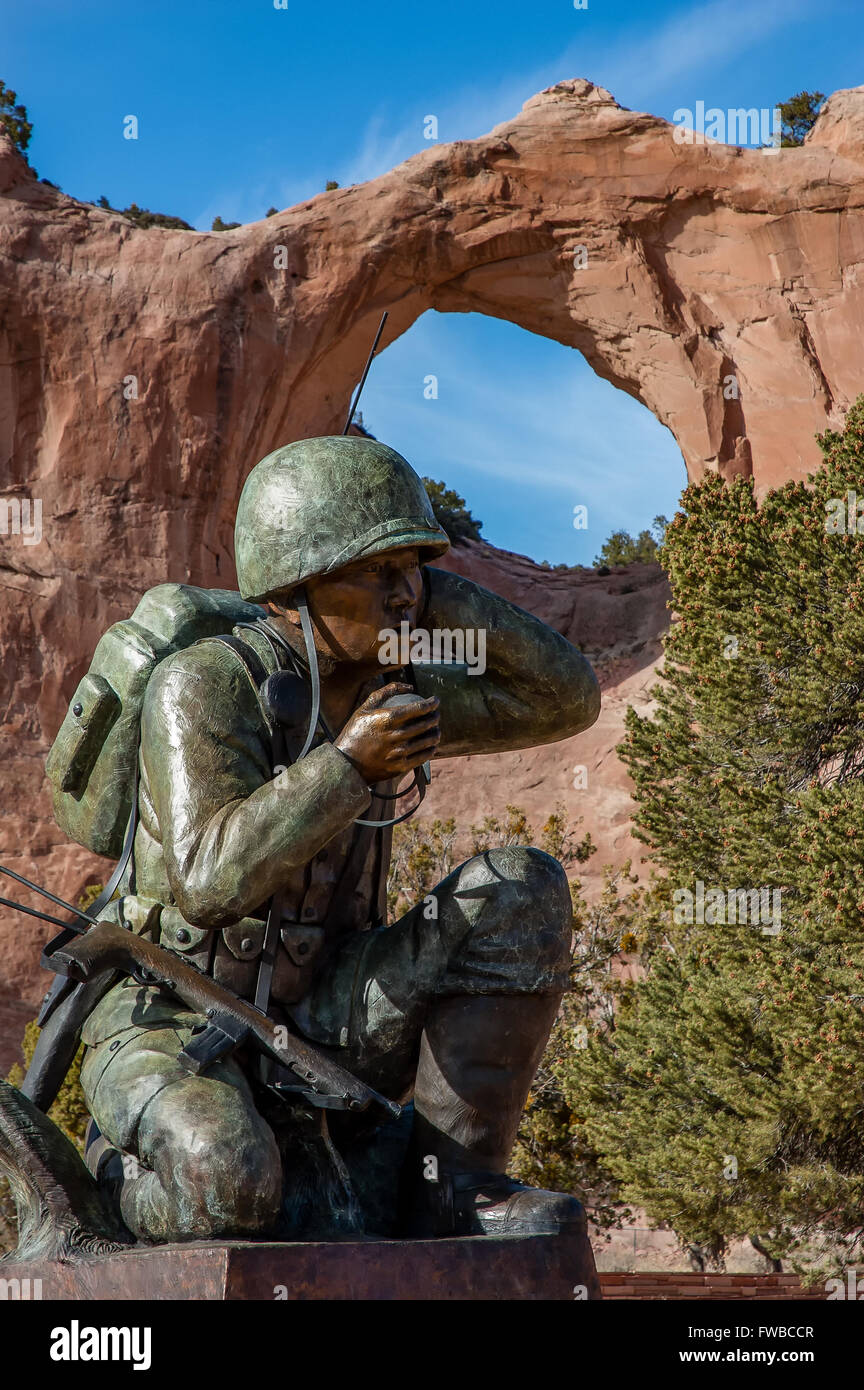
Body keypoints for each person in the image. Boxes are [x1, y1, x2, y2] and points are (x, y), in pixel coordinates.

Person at [79, 434, 601, 1243]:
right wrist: (350, 763)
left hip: (326, 1008)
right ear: (296, 584)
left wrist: (433, 592)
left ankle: (455, 1190)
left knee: (518, 888)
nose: (405, 597)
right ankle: (112, 1193)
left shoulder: (396, 683)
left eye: (412, 569)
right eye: (374, 572)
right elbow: (208, 880)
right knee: (228, 1182)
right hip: (171, 1012)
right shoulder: (207, 683)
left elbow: (565, 698)